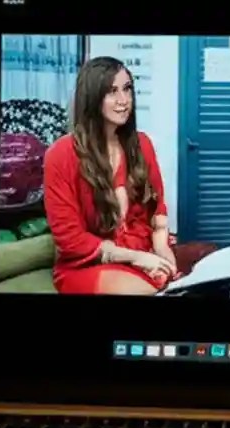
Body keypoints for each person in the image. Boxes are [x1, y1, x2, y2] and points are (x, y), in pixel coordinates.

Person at [43, 56, 178, 295]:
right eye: (112, 92)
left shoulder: (142, 144)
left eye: (127, 89)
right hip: (88, 264)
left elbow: (157, 212)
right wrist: (138, 259)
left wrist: (163, 254)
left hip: (142, 255)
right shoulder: (61, 155)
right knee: (143, 291)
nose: (123, 101)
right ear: (92, 98)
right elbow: (70, 239)